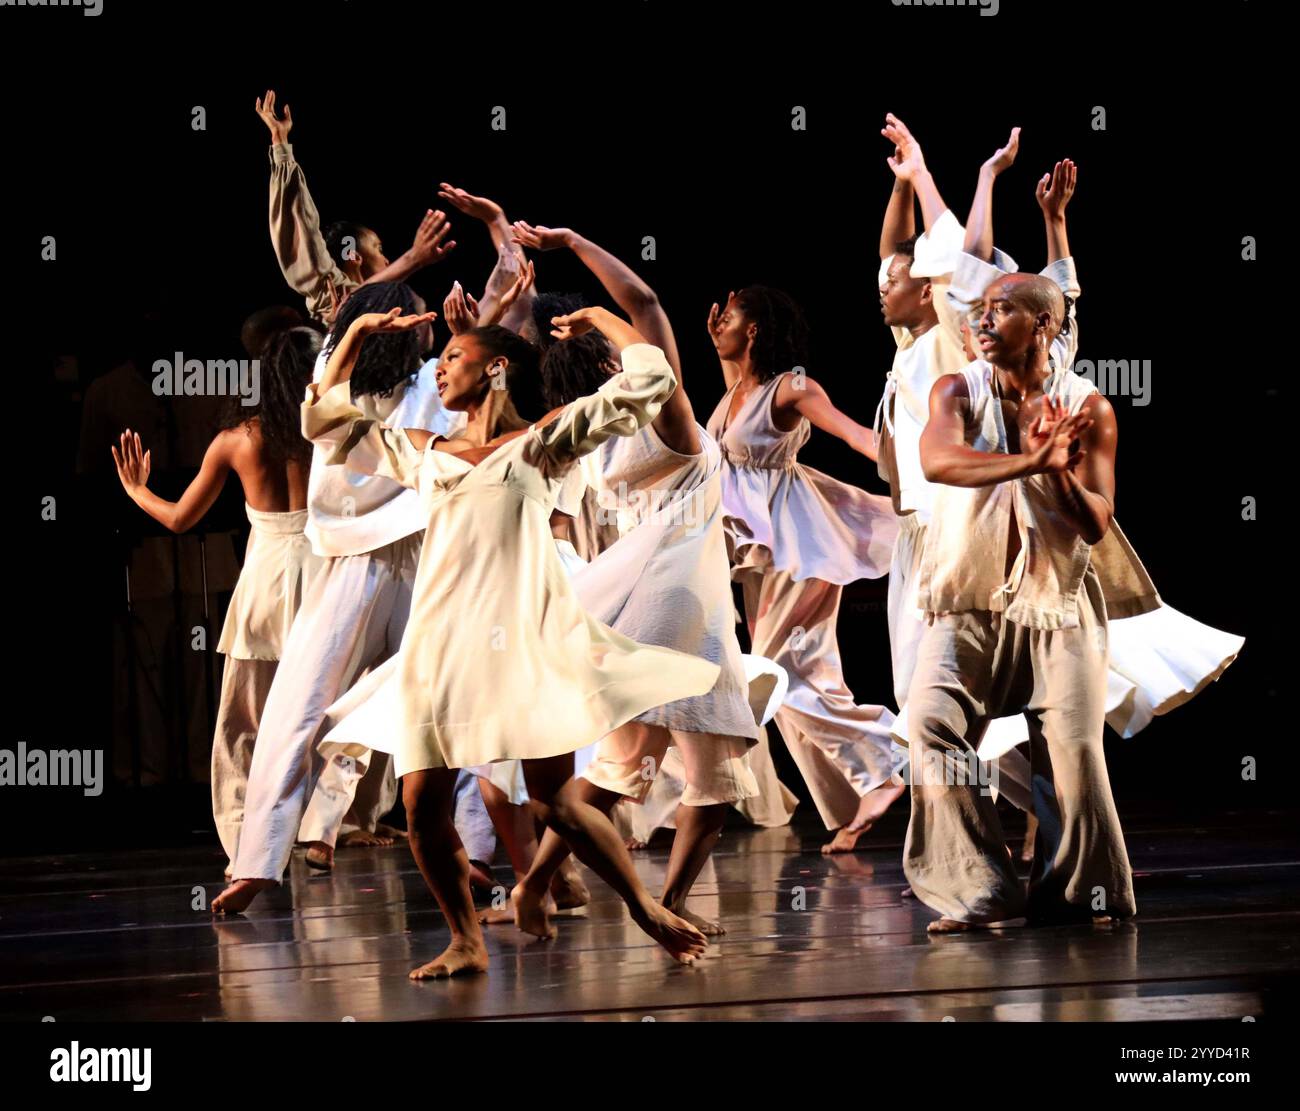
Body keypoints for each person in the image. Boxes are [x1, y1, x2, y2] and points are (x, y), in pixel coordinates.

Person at [304, 304, 718, 976]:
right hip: (439, 645)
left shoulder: (542, 442)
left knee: (554, 797)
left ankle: (644, 906)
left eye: (454, 358)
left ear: (495, 368)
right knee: (419, 804)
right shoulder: (423, 451)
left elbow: (648, 382)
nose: (439, 369)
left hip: (519, 642)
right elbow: (326, 422)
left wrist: (604, 320)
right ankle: (465, 940)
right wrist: (353, 335)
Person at [212, 282, 455, 913]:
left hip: (406, 560)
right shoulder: (353, 386)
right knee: (315, 706)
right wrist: (365, 323)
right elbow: (334, 368)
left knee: (439, 705)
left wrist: (369, 323)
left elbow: (479, 368)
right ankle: (261, 859)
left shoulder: (415, 382)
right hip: (375, 564)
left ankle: (469, 854)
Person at [111, 327, 321, 872]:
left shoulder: (237, 440)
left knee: (243, 721)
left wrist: (138, 492)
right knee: (324, 710)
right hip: (323, 574)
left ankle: (245, 843)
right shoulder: (327, 434)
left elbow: (180, 518)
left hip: (267, 581)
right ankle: (323, 830)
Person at [704, 287, 902, 853]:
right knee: (796, 676)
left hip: (799, 542)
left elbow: (850, 433)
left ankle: (894, 761)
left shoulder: (791, 387)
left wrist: (915, 466)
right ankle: (855, 799)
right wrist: (720, 345)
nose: (720, 321)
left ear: (756, 330)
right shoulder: (736, 389)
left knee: (773, 672)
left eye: (732, 315)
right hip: (753, 551)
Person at [256, 90, 455, 324]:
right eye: (378, 248)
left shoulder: (385, 305)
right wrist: (281, 145)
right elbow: (300, 227)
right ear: (352, 255)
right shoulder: (331, 296)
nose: (387, 261)